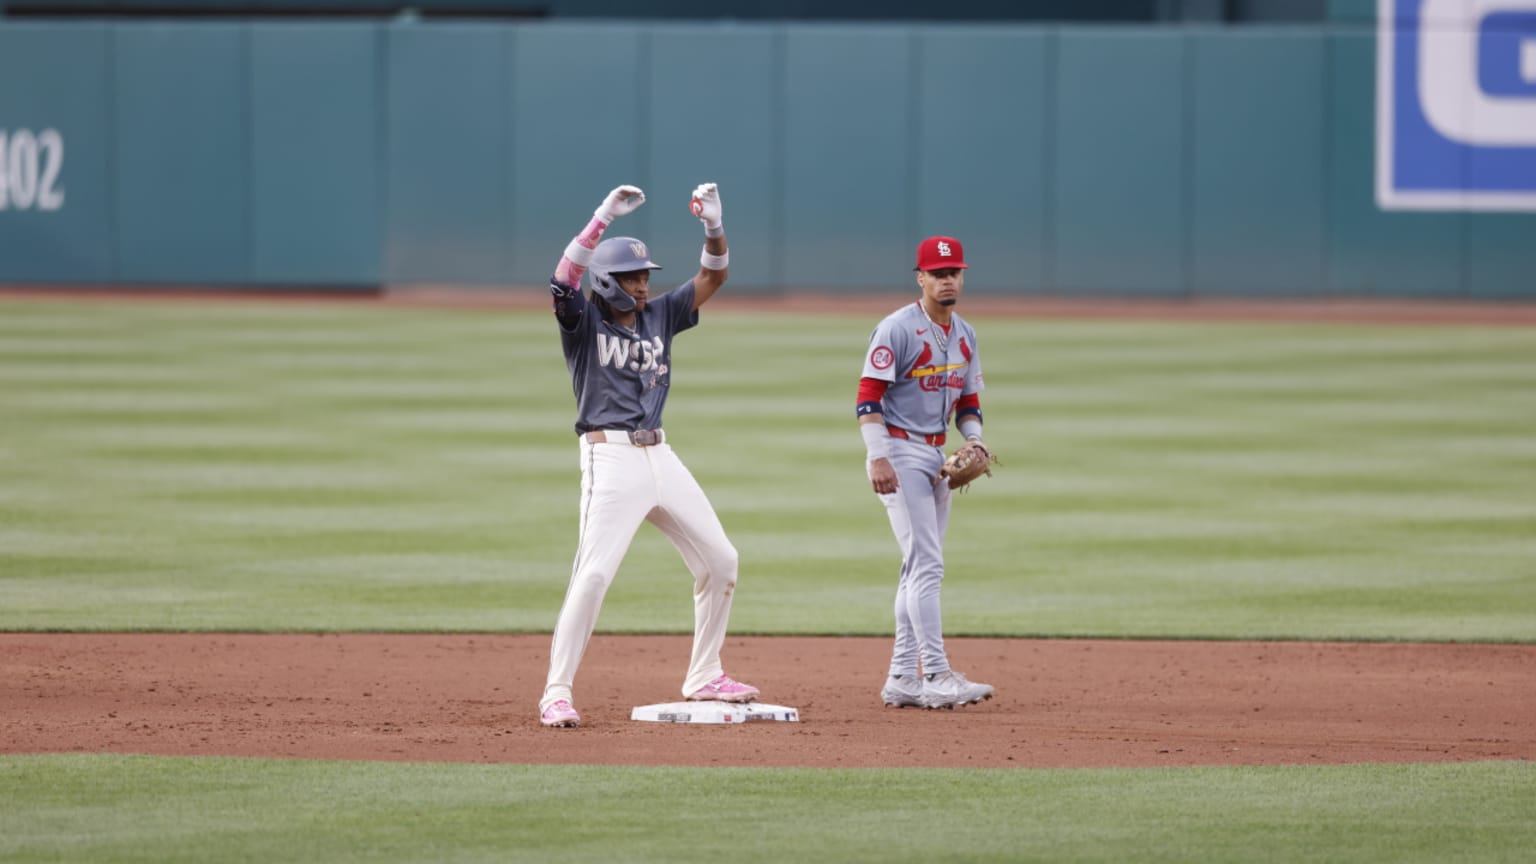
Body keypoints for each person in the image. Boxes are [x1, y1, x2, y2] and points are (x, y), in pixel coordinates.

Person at [538, 182, 760, 728]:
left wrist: (713, 225)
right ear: (606, 281)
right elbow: (561, 279)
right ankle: (556, 692)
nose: (643, 286)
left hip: (661, 454)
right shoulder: (583, 322)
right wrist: (600, 219)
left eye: (646, 277)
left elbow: (713, 277)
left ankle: (705, 673)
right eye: (633, 277)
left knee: (721, 560)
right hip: (609, 457)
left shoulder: (661, 314)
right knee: (593, 575)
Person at [856, 235, 995, 710]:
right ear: (921, 278)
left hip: (937, 459)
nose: (948, 280)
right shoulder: (896, 329)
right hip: (899, 453)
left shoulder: (966, 334)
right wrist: (877, 457)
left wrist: (973, 438)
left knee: (916, 567)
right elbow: (868, 399)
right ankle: (935, 675)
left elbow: (969, 402)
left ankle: (902, 677)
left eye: (954, 272)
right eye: (938, 274)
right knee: (929, 566)